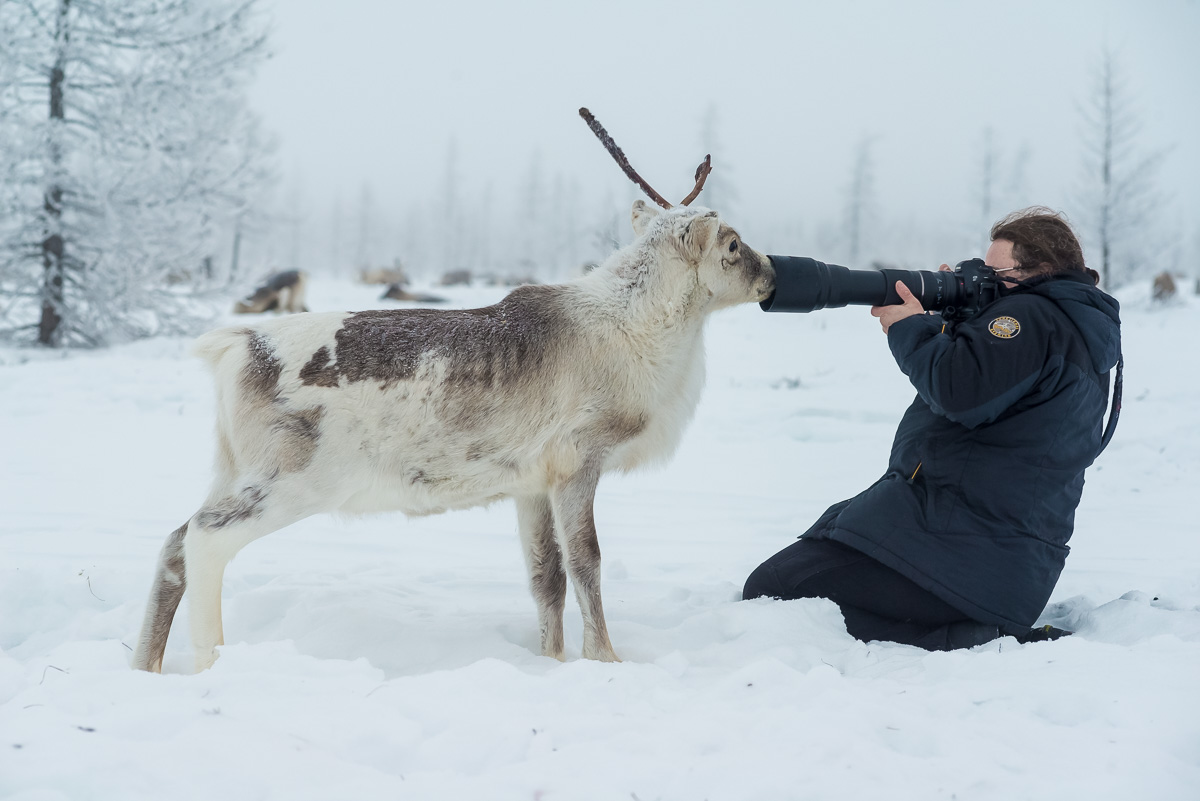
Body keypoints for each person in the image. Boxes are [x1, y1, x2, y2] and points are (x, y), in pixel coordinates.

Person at [743, 207, 1122, 650]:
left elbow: (959, 390)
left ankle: (965, 636)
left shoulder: (1031, 318)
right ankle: (966, 627)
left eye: (996, 273)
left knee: (774, 589)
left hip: (964, 558)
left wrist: (912, 328)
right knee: (782, 583)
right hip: (988, 557)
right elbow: (991, 389)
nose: (985, 281)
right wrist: (958, 322)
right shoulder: (1069, 325)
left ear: (1040, 270)